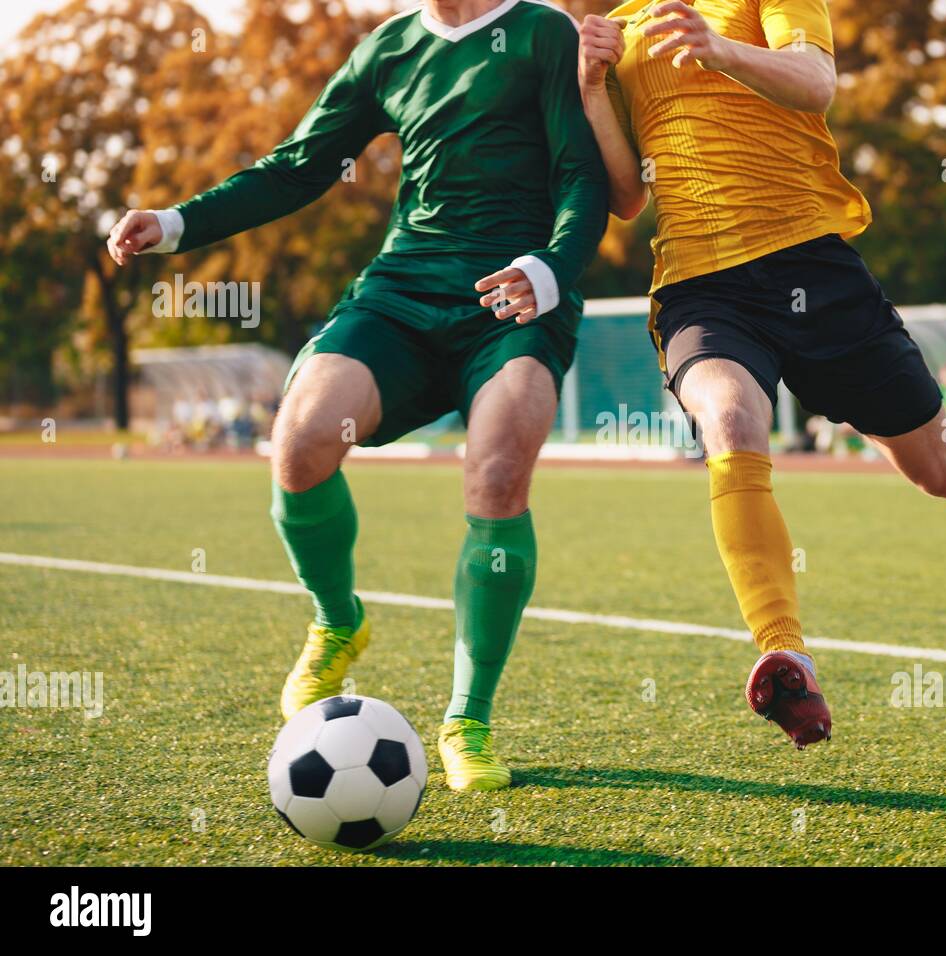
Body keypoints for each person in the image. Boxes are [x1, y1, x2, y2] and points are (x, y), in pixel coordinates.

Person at [106, 0, 608, 792]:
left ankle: (467, 722)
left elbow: (585, 176)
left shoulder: (544, 31)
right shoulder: (389, 49)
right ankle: (338, 620)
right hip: (402, 292)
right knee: (301, 440)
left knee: (500, 467)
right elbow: (300, 164)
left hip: (514, 299)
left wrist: (549, 272)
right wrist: (174, 222)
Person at [577, 0, 946, 749]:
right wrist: (592, 87)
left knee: (933, 469)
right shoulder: (615, 32)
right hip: (701, 287)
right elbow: (626, 199)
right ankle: (783, 650)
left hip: (811, 265)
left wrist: (722, 50)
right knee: (728, 418)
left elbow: (816, 81)